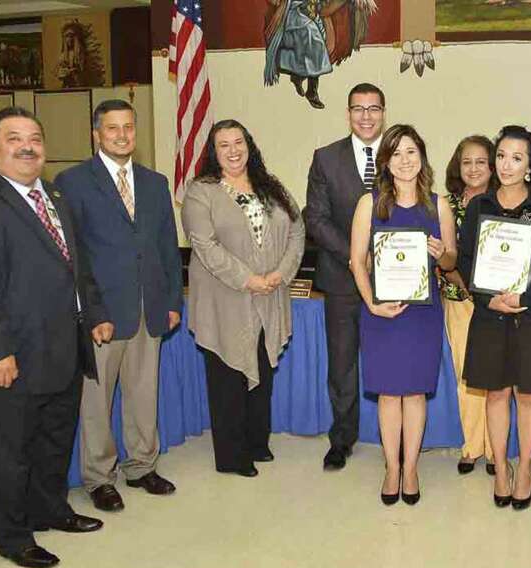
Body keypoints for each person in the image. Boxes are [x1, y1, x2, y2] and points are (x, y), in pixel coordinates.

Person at [0, 106, 106, 568]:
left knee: (54, 441)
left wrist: (93, 314)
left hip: (63, 350)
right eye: (14, 138)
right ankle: (13, 537)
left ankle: (50, 509)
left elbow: (76, 266)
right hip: (9, 358)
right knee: (7, 453)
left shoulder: (55, 196)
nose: (27, 147)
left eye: (34, 138)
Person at [57, 99, 183, 513]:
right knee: (97, 402)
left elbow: (166, 247)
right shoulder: (73, 182)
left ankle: (142, 466)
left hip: (150, 307)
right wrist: (92, 313)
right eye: (112, 128)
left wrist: (172, 300)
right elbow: (74, 257)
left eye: (128, 126)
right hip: (104, 314)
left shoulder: (155, 183)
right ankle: (99, 477)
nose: (122, 135)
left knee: (144, 394)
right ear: (96, 134)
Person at [181, 119, 305, 478]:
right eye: (224, 145)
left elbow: (297, 230)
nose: (233, 150)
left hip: (269, 297)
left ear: (249, 146)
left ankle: (256, 443)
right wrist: (249, 279)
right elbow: (204, 245)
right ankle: (232, 456)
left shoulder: (270, 186)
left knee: (262, 372)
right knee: (228, 376)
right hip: (225, 300)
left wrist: (280, 273)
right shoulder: (201, 192)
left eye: (239, 142)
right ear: (213, 152)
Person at [348, 124, 456, 506]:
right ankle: (391, 467)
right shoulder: (369, 203)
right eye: (396, 153)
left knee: (414, 393)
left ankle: (410, 468)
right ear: (385, 161)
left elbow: (451, 261)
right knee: (388, 393)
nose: (405, 160)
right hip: (381, 313)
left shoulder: (438, 205)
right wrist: (371, 303)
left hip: (422, 315)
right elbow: (356, 261)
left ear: (422, 157)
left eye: (411, 152)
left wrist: (442, 253)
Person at [458, 125, 531, 510]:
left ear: (530, 166)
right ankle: (501, 467)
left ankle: (525, 470)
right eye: (501, 156)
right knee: (497, 393)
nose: (506, 165)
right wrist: (488, 300)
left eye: (516, 158)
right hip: (490, 316)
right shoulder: (479, 207)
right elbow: (466, 260)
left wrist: (524, 297)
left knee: (528, 394)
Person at [304, 83, 387, 472]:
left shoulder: (400, 153)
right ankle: (341, 439)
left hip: (391, 279)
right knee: (342, 365)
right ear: (348, 113)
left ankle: (395, 438)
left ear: (383, 112)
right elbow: (316, 218)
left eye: (373, 109)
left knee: (391, 360)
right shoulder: (326, 158)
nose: (366, 116)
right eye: (358, 109)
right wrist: (356, 258)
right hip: (341, 279)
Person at [442, 135, 497, 476]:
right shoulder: (445, 206)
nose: (473, 168)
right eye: (467, 162)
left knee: (495, 375)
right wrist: (461, 283)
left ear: (492, 166)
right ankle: (472, 446)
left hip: (497, 305)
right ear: (457, 167)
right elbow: (441, 253)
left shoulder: (504, 202)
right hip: (459, 300)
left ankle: (494, 449)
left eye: (481, 162)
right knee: (467, 374)